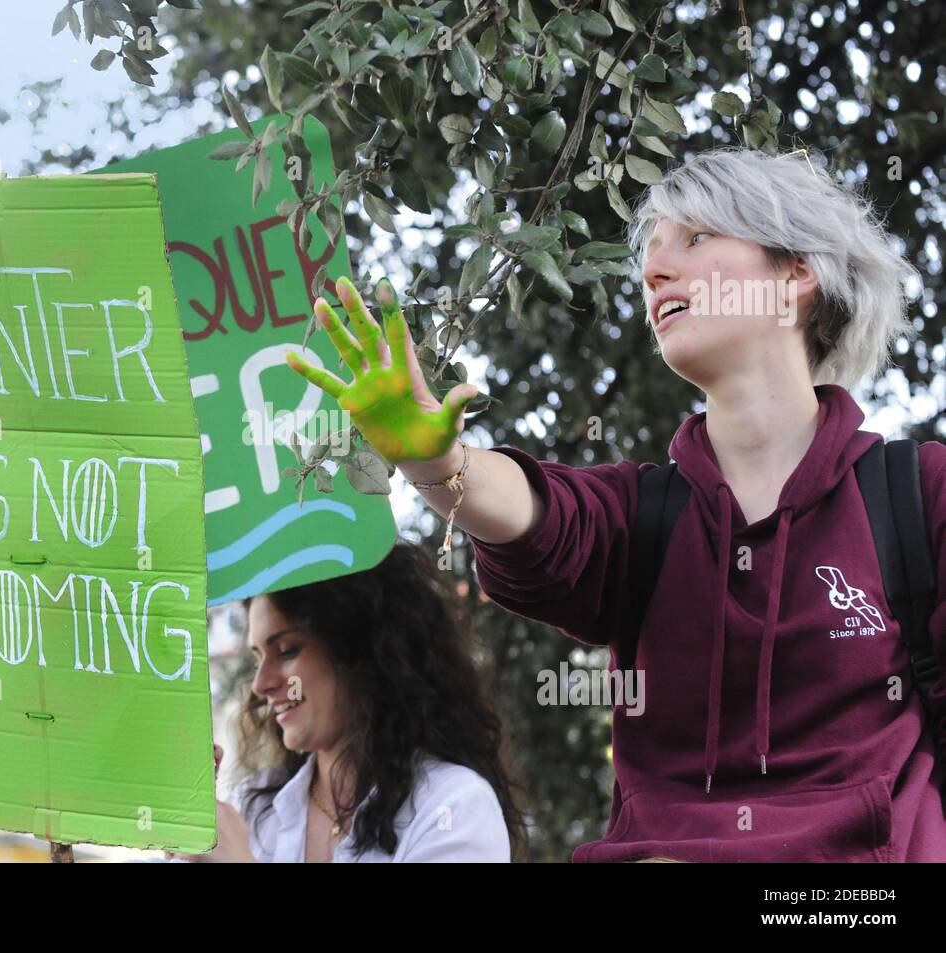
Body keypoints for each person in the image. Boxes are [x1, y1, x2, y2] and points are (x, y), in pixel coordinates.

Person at [285, 147, 946, 862]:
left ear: (796, 275)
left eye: (696, 238)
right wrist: (442, 464)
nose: (656, 270)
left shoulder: (919, 496)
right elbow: (546, 517)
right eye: (652, 250)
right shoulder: (643, 515)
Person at [179, 540, 525, 862]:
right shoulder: (254, 806)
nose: (261, 684)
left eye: (287, 651)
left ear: (362, 650)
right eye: (257, 657)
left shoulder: (453, 806)